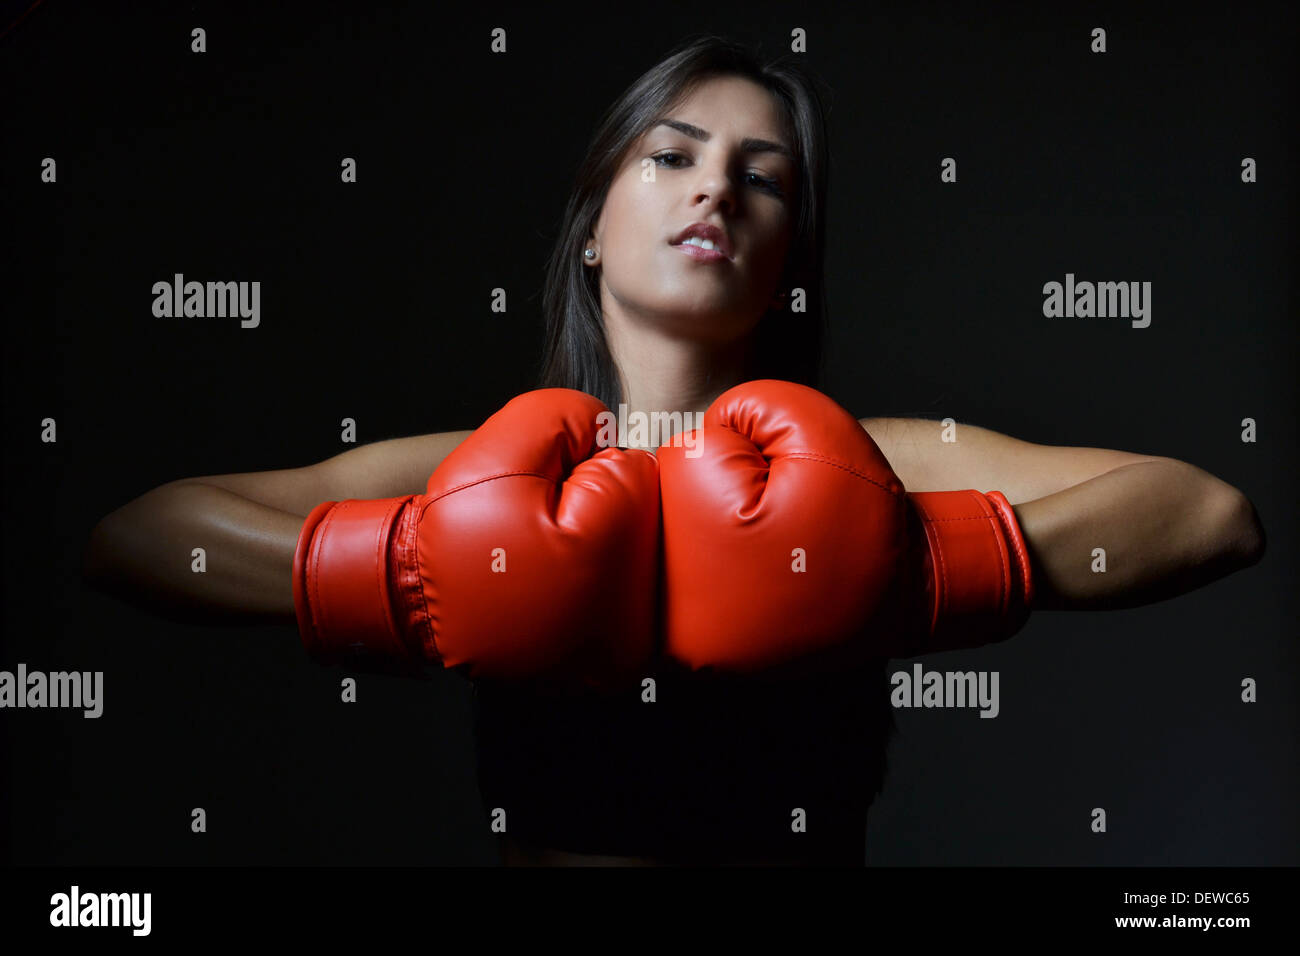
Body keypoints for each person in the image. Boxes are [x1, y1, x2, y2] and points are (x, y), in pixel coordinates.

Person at [82, 35, 1266, 866]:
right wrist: (412, 571)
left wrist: (913, 569)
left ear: (789, 256)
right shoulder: (479, 472)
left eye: (762, 179)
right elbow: (134, 537)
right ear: (592, 227)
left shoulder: (874, 465)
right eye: (672, 155)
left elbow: (1211, 513)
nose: (717, 191)